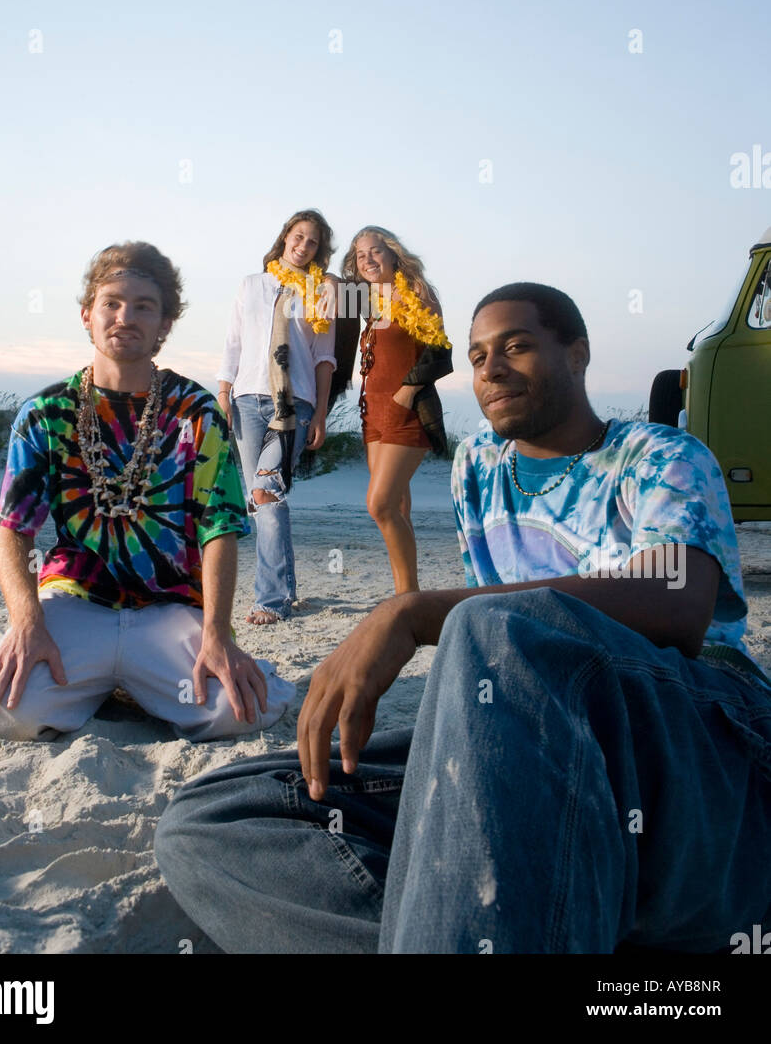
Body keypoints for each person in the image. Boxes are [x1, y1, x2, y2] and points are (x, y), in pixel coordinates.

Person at [154, 282, 771, 954]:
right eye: (477, 358)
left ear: (577, 355)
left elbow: (677, 605)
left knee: (492, 631)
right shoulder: (478, 467)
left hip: (693, 743)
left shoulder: (658, 455)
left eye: (518, 347)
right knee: (214, 818)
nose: (492, 369)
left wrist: (416, 612)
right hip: (541, 754)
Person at [0, 242, 294, 742]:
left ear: (165, 324)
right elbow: (14, 532)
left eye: (143, 306)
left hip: (171, 608)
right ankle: (105, 681)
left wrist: (216, 632)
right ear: (87, 314)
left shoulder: (197, 412)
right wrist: (26, 622)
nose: (124, 316)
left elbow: (219, 529)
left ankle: (125, 680)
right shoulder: (46, 413)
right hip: (76, 600)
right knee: (6, 717)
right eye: (112, 303)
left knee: (237, 713)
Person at [218, 210, 337, 624]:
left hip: (294, 400)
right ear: (285, 236)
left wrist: (321, 412)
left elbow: (324, 358)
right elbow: (234, 342)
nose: (303, 246)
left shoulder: (323, 290)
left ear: (320, 251)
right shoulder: (252, 285)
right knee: (261, 499)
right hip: (247, 397)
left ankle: (270, 600)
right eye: (299, 236)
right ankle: (283, 591)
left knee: (268, 492)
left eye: (313, 243)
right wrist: (223, 390)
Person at [342, 226, 452, 594]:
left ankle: (409, 597)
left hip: (406, 410)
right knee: (398, 508)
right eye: (360, 256)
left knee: (380, 504)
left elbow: (441, 351)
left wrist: (408, 391)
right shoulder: (366, 299)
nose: (368, 260)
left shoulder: (416, 294)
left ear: (392, 254)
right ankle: (404, 590)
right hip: (371, 411)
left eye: (375, 252)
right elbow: (319, 294)